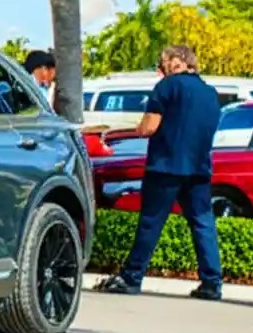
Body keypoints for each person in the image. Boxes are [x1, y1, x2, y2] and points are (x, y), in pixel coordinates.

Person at [96, 45, 224, 300]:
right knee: (202, 223)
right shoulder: (211, 93)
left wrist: (136, 128)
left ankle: (132, 277)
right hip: (199, 168)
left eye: (163, 63)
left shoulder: (167, 87)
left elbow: (149, 127)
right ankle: (212, 282)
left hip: (165, 166)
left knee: (151, 223)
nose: (160, 68)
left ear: (175, 62)